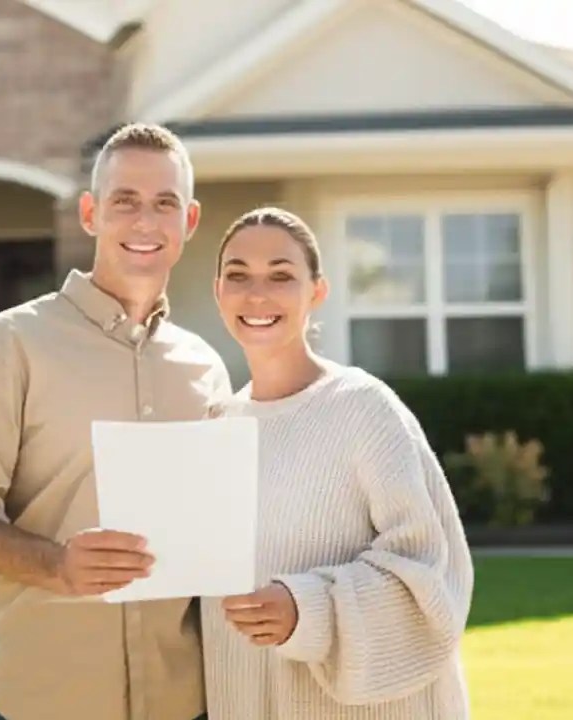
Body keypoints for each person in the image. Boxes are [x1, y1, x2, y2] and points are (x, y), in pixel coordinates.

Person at [0, 123, 232, 720]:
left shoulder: (206, 367)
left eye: (164, 204)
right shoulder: (11, 343)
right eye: (125, 202)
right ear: (90, 214)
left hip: (183, 701)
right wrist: (57, 565)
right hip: (41, 699)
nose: (145, 222)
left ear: (189, 222)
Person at [201, 206, 474, 719]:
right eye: (238, 276)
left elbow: (429, 574)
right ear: (219, 292)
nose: (256, 295)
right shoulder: (216, 428)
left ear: (316, 292)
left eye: (280, 276)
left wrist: (307, 609)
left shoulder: (363, 407)